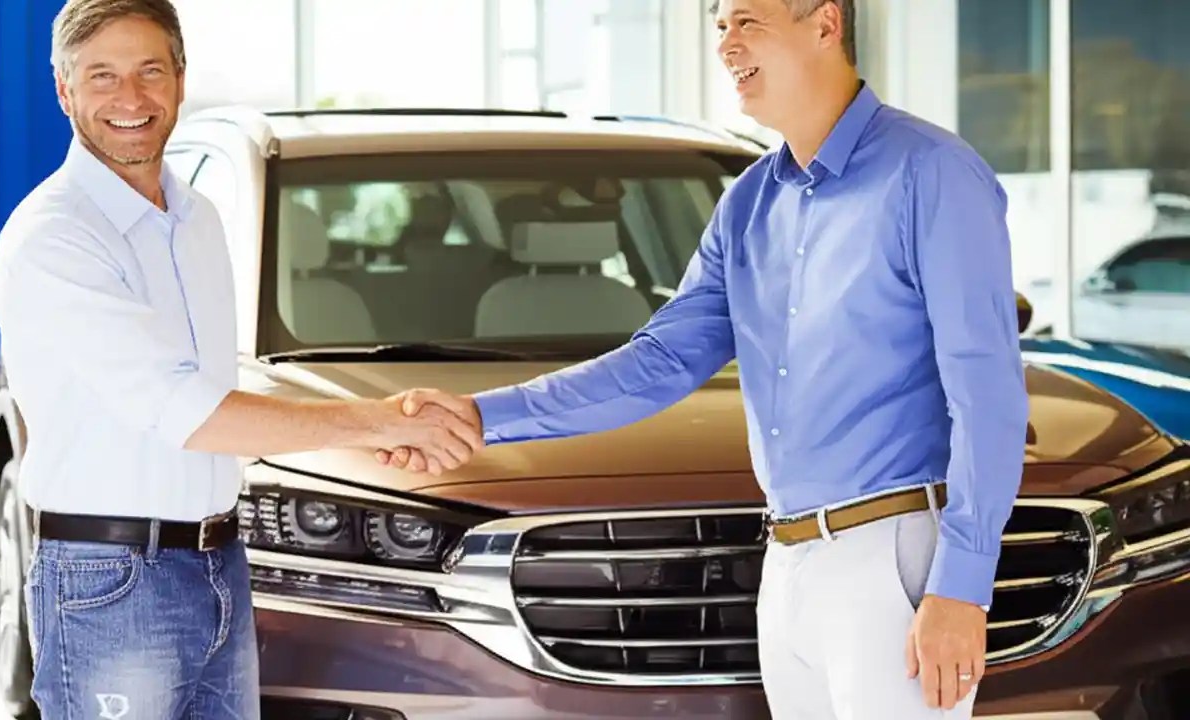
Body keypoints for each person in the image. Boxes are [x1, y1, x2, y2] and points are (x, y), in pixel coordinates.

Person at [377, 0, 1028, 717]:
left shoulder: (931, 174)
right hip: (787, 564)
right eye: (718, 25)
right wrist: (476, 416)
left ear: (826, 23)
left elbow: (988, 396)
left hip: (894, 557)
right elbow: (655, 365)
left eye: (748, 21)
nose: (726, 43)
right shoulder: (749, 203)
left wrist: (962, 586)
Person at [0, 1, 481, 717]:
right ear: (65, 91)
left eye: (149, 71)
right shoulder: (54, 237)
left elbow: (225, 392)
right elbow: (183, 410)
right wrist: (380, 424)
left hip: (219, 561)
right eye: (102, 77)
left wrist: (380, 433)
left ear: (181, 81)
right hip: (110, 583)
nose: (130, 99)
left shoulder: (197, 219)